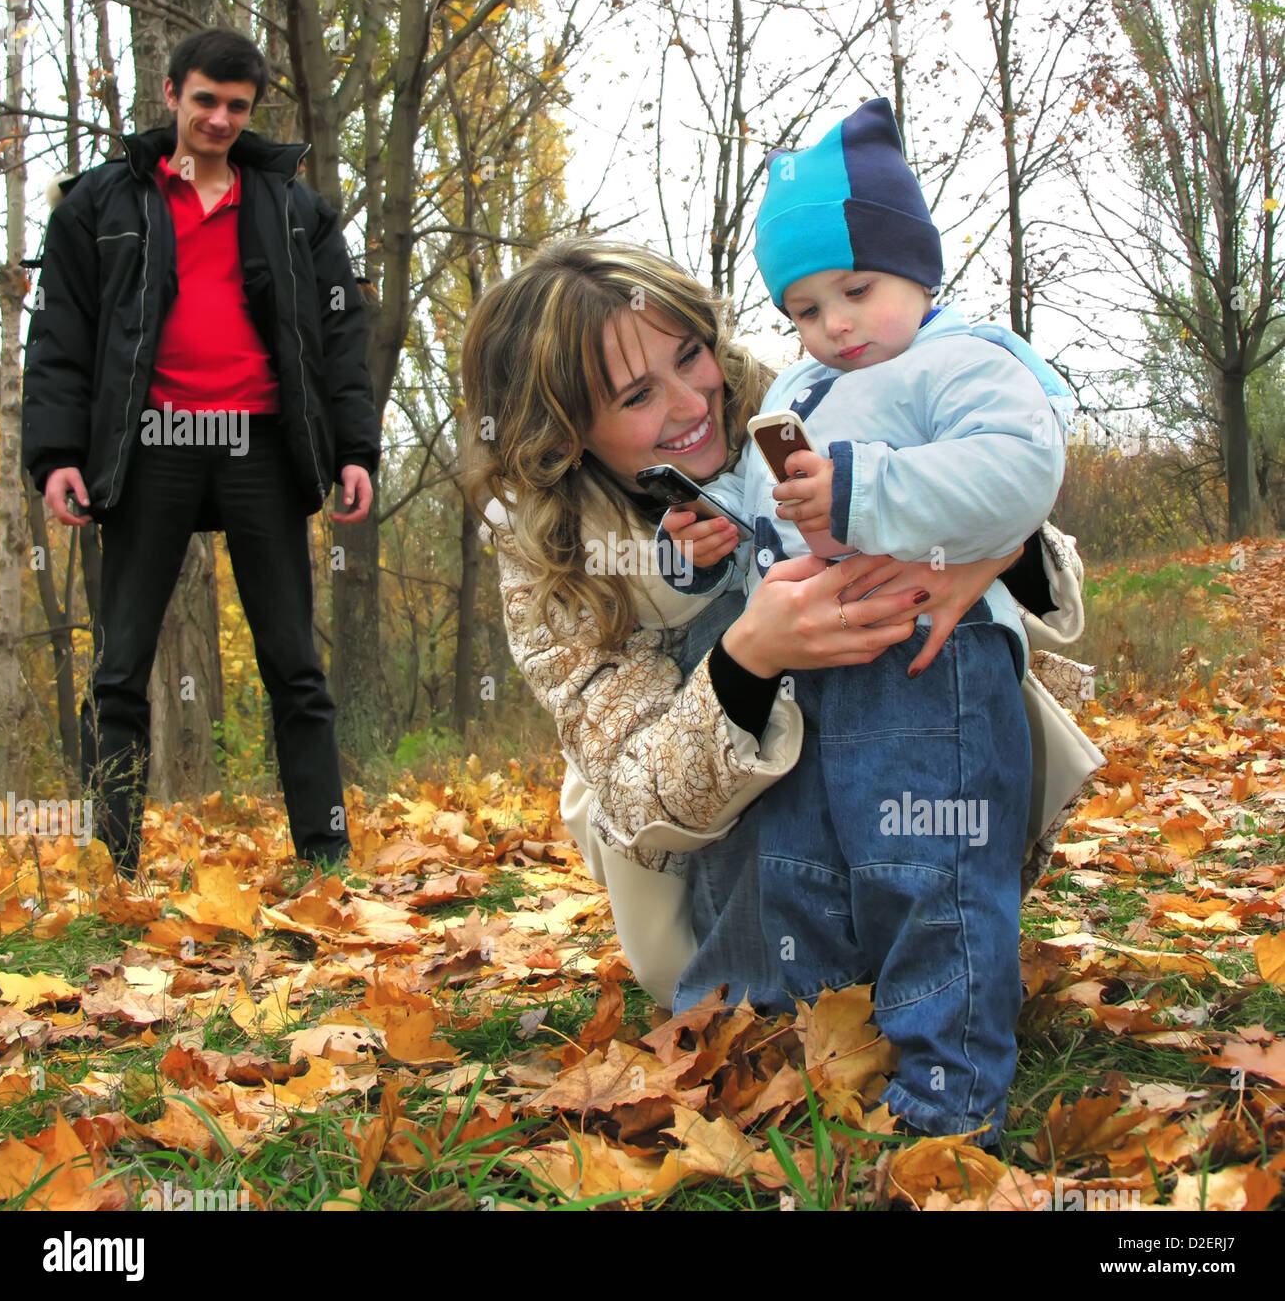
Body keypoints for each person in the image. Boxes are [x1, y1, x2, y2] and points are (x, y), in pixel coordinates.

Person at [460, 237, 1090, 1013]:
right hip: (696, 835)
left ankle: (935, 929)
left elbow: (1010, 506)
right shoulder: (543, 547)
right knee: (728, 616)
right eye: (635, 397)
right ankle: (773, 975)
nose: (693, 404)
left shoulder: (806, 390)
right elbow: (635, 794)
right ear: (563, 434)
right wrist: (750, 654)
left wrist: (980, 554)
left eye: (690, 356)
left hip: (904, 737)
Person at [655, 98, 1073, 1143]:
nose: (835, 325)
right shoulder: (802, 389)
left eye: (856, 290)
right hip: (816, 674)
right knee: (815, 862)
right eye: (802, 308)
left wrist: (859, 490)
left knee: (927, 865)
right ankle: (828, 1047)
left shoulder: (963, 361)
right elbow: (768, 504)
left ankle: (949, 1085)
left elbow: (1017, 471)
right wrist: (706, 534)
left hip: (927, 669)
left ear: (916, 273)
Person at [22, 28, 380, 876]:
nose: (219, 118)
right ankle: (113, 864)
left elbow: (339, 336)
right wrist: (54, 456)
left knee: (295, 662)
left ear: (252, 111)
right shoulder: (101, 203)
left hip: (260, 442)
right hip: (150, 446)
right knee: (119, 669)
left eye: (236, 107)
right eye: (205, 101)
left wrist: (355, 450)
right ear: (175, 95)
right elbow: (60, 336)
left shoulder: (291, 207)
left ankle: (325, 855)